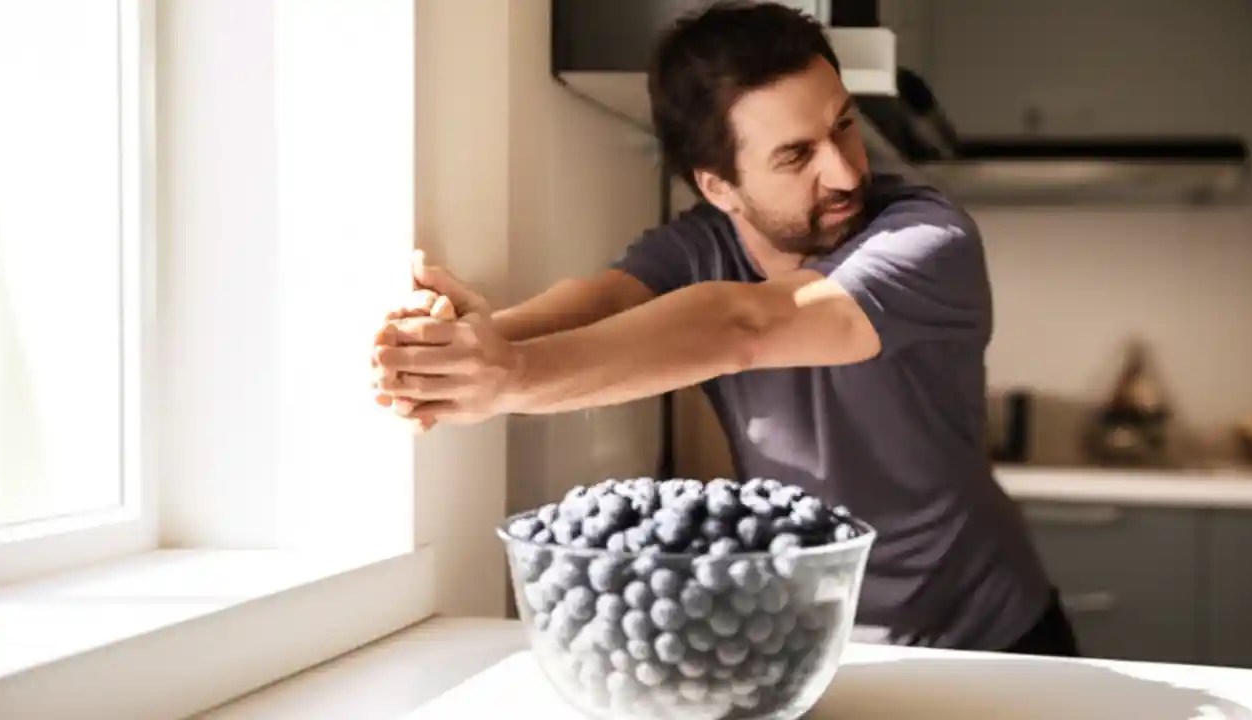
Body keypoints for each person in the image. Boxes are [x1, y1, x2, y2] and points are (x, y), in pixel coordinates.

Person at [371, 1, 1078, 656]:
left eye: (843, 125)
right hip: (818, 638)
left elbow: (743, 325)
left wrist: (508, 378)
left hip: (989, 635)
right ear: (719, 186)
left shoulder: (926, 239)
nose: (843, 171)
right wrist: (470, 342)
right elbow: (600, 303)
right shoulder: (700, 245)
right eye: (796, 156)